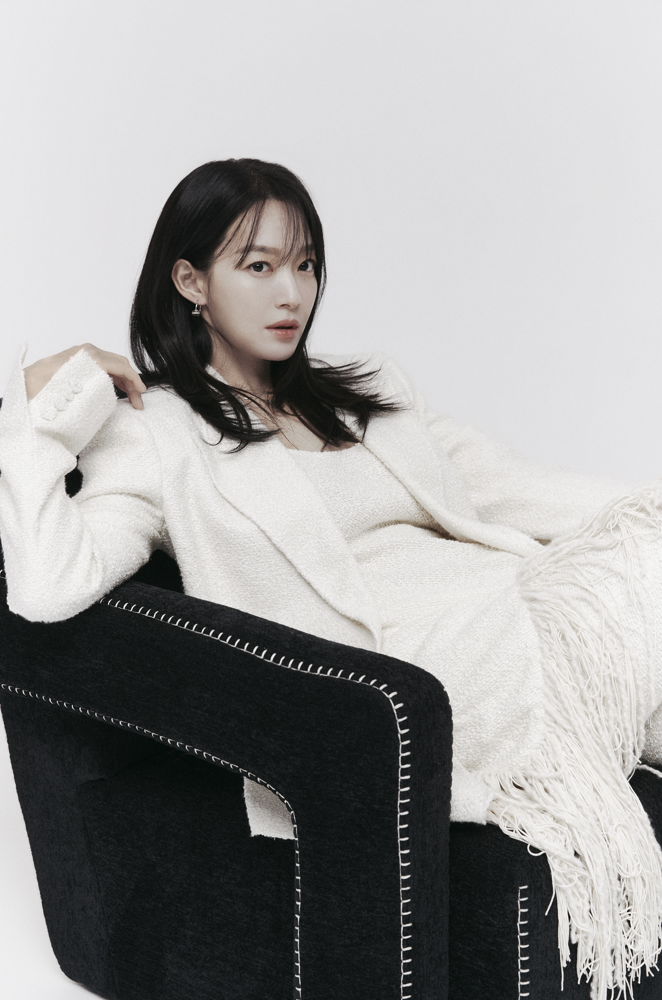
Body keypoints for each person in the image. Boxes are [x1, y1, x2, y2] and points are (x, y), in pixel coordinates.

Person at [0, 158, 661, 999]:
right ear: (191, 281)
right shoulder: (155, 434)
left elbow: (509, 485)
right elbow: (48, 585)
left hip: (505, 598)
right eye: (259, 266)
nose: (292, 294)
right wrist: (37, 415)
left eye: (305, 265)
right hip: (413, 662)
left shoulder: (368, 392)